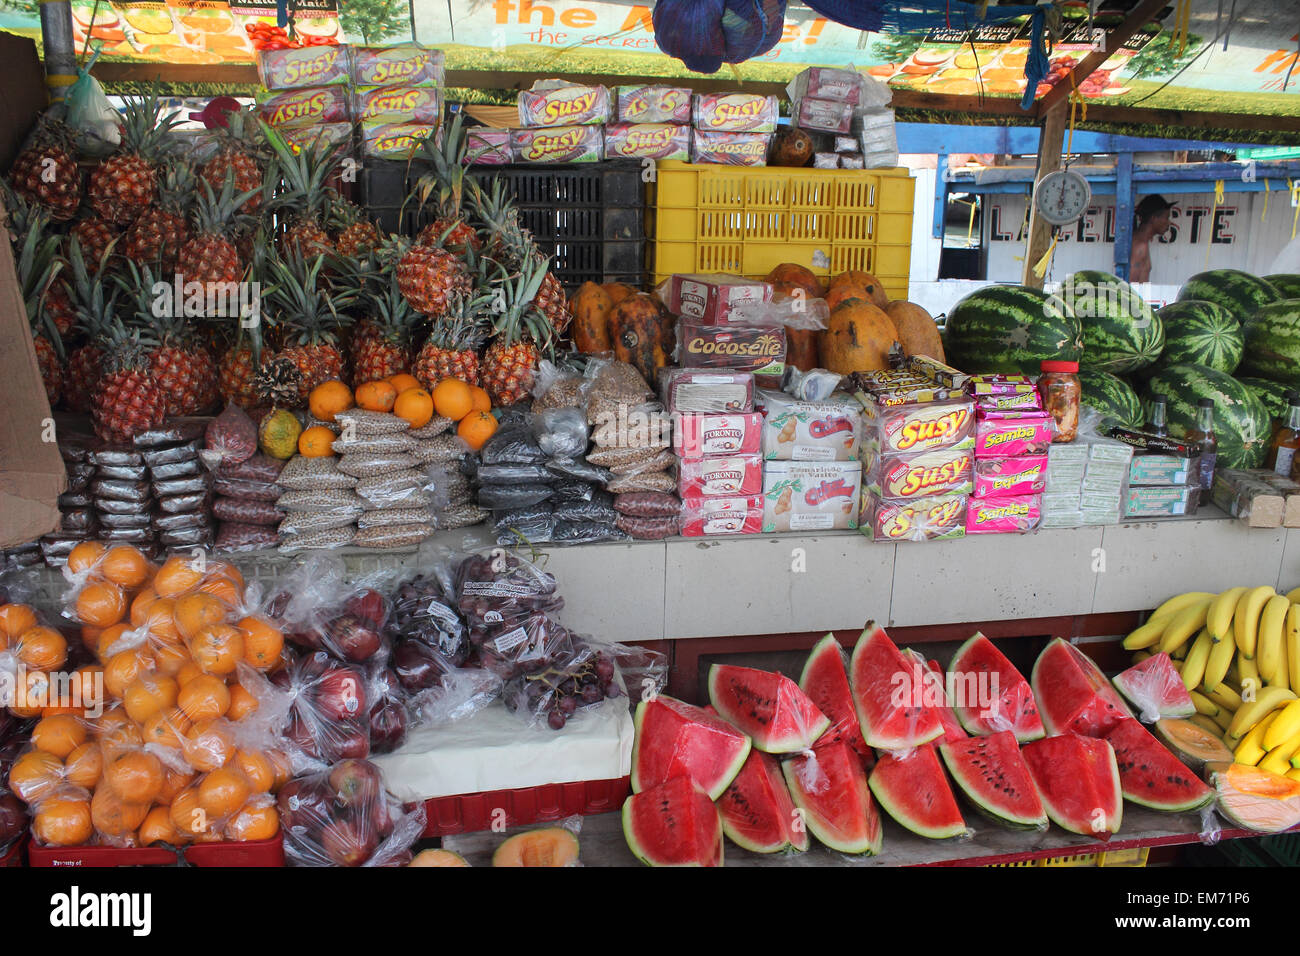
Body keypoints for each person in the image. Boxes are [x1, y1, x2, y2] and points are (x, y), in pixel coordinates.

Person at [1128, 194, 1174, 284]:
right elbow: (1130, 286)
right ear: (1153, 218)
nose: (1169, 223)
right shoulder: (1140, 247)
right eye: (1166, 218)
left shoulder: (1141, 242)